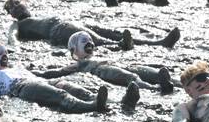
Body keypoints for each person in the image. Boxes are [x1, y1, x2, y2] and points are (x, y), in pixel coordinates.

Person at [0, 40, 108, 115]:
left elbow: (41, 74)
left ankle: (101, 100)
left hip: (40, 81)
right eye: (0, 53)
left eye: (6, 53)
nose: (5, 56)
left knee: (66, 85)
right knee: (61, 95)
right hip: (23, 87)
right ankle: (92, 107)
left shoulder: (16, 68)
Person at [4, 0, 180, 51]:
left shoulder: (39, 15)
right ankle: (120, 46)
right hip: (59, 30)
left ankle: (157, 42)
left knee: (112, 32)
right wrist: (15, 48)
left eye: (17, 3)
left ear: (26, 2)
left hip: (71, 24)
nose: (16, 8)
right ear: (11, 15)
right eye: (12, 8)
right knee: (98, 40)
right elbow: (12, 38)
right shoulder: (18, 25)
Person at [38, 31, 173, 98]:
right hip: (105, 70)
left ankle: (165, 79)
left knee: (139, 70)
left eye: (91, 40)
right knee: (132, 77)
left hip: (118, 64)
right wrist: (35, 73)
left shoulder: (100, 54)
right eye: (84, 41)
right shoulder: (79, 65)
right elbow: (56, 72)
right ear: (73, 50)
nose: (90, 43)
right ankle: (157, 88)